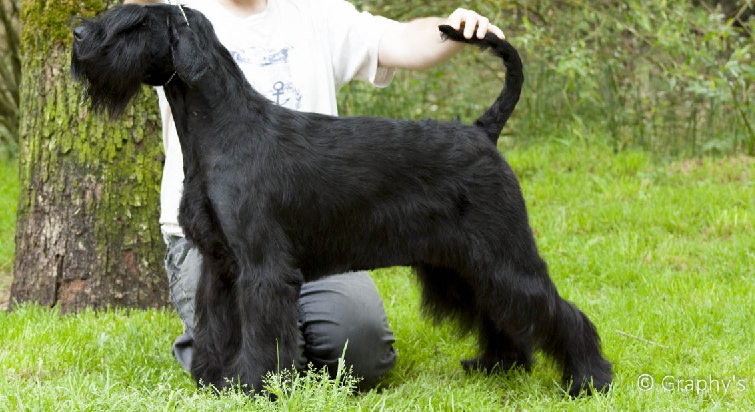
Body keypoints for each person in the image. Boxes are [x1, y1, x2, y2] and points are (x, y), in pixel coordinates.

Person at [125, 0, 505, 389]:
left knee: (362, 355)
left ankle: (276, 330)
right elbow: (119, 33)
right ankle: (221, 341)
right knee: (249, 357)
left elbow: (402, 40)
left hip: (312, 233)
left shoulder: (314, 10)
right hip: (216, 239)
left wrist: (455, 27)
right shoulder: (175, 15)